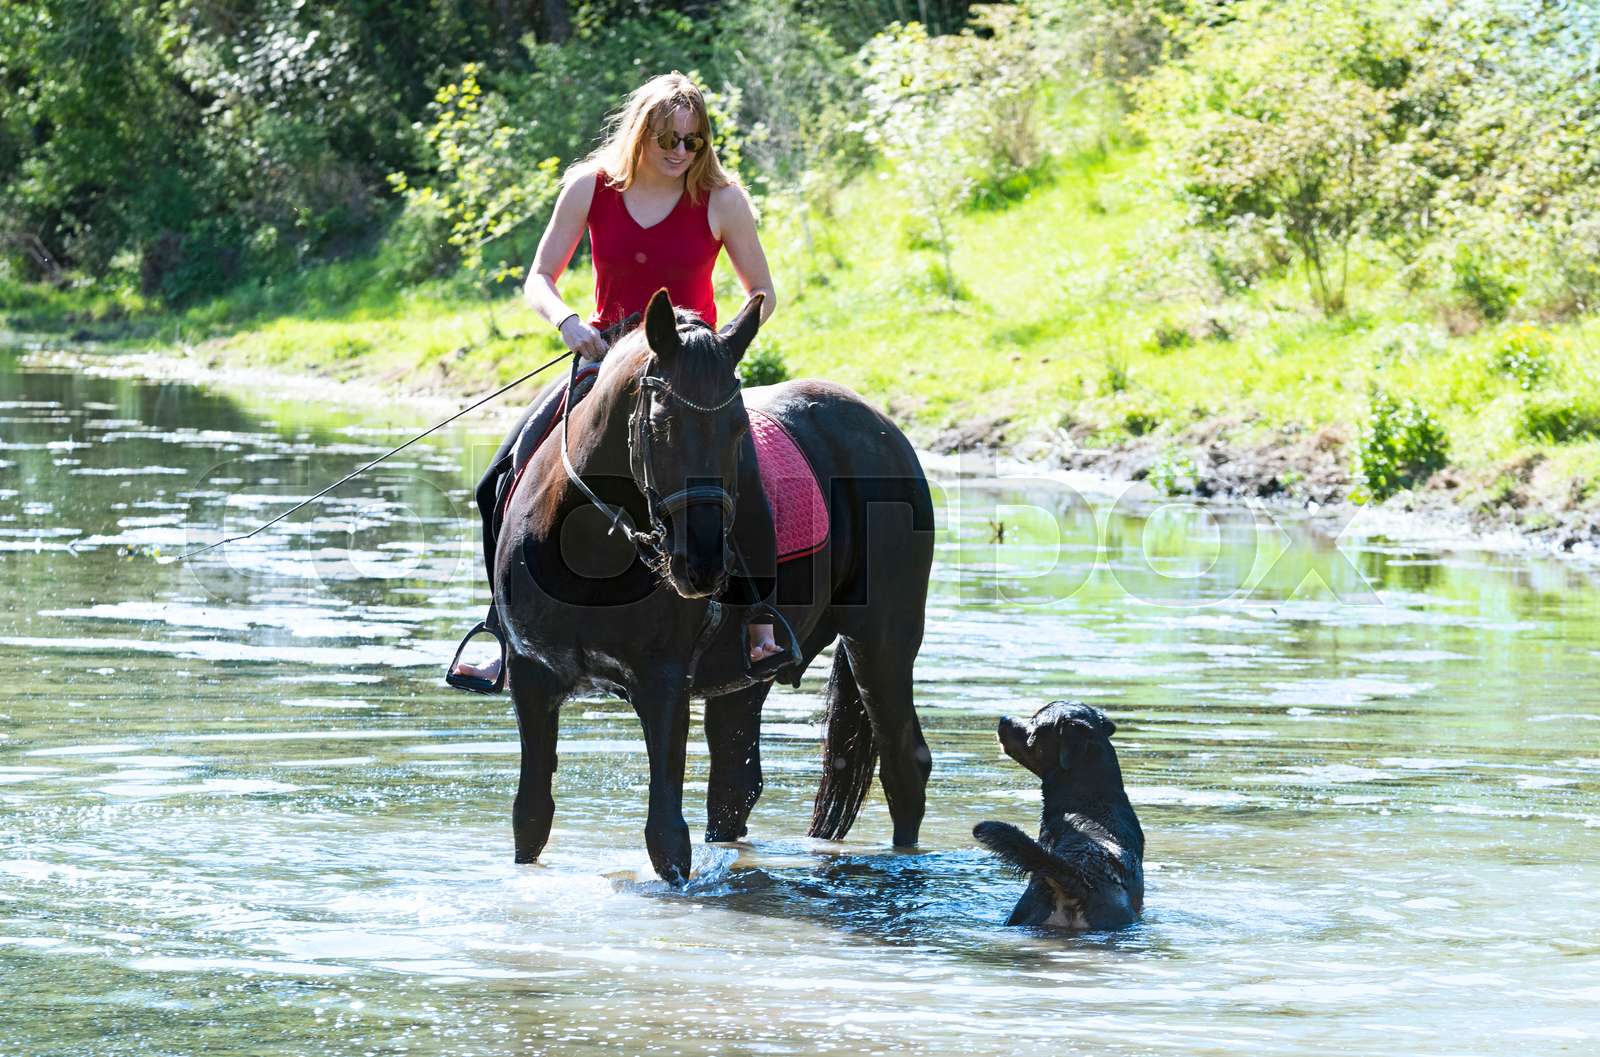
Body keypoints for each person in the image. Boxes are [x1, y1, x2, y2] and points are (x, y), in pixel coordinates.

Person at [447, 72, 782, 694]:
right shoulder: (589, 188)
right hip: (602, 368)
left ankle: (758, 621)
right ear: (641, 134)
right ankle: (501, 625)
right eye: (669, 139)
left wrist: (718, 347)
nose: (681, 152)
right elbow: (539, 277)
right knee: (500, 476)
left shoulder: (722, 201)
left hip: (687, 379)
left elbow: (761, 295)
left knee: (748, 477)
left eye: (694, 140)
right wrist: (569, 322)